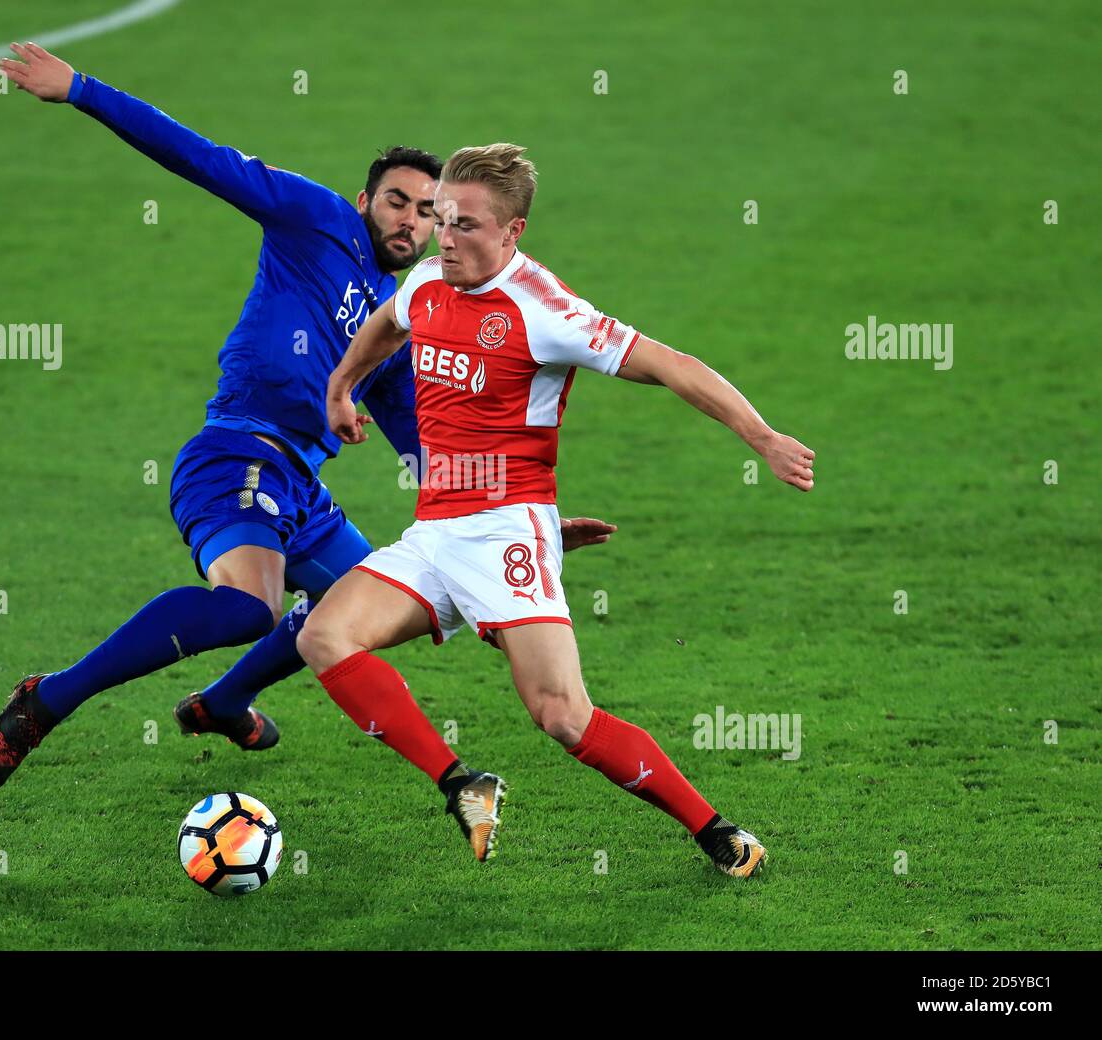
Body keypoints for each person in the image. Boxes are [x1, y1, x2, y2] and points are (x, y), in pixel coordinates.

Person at [0, 48, 614, 853]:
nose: (409, 222)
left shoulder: (405, 312)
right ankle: (49, 699)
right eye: (396, 202)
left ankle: (222, 704)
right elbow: (199, 157)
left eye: (428, 213)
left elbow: (430, 448)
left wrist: (528, 527)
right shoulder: (311, 217)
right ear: (365, 201)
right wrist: (81, 92)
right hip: (235, 453)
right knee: (250, 606)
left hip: (299, 488)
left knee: (352, 605)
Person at [297, 143, 816, 873]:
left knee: (564, 717)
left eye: (467, 225)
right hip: (434, 534)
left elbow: (673, 366)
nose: (445, 236)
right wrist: (341, 386)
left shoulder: (545, 310)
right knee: (324, 637)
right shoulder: (428, 283)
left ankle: (716, 831)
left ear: (512, 233)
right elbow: (389, 322)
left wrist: (760, 437)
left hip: (508, 530)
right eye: (440, 218)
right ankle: (463, 786)